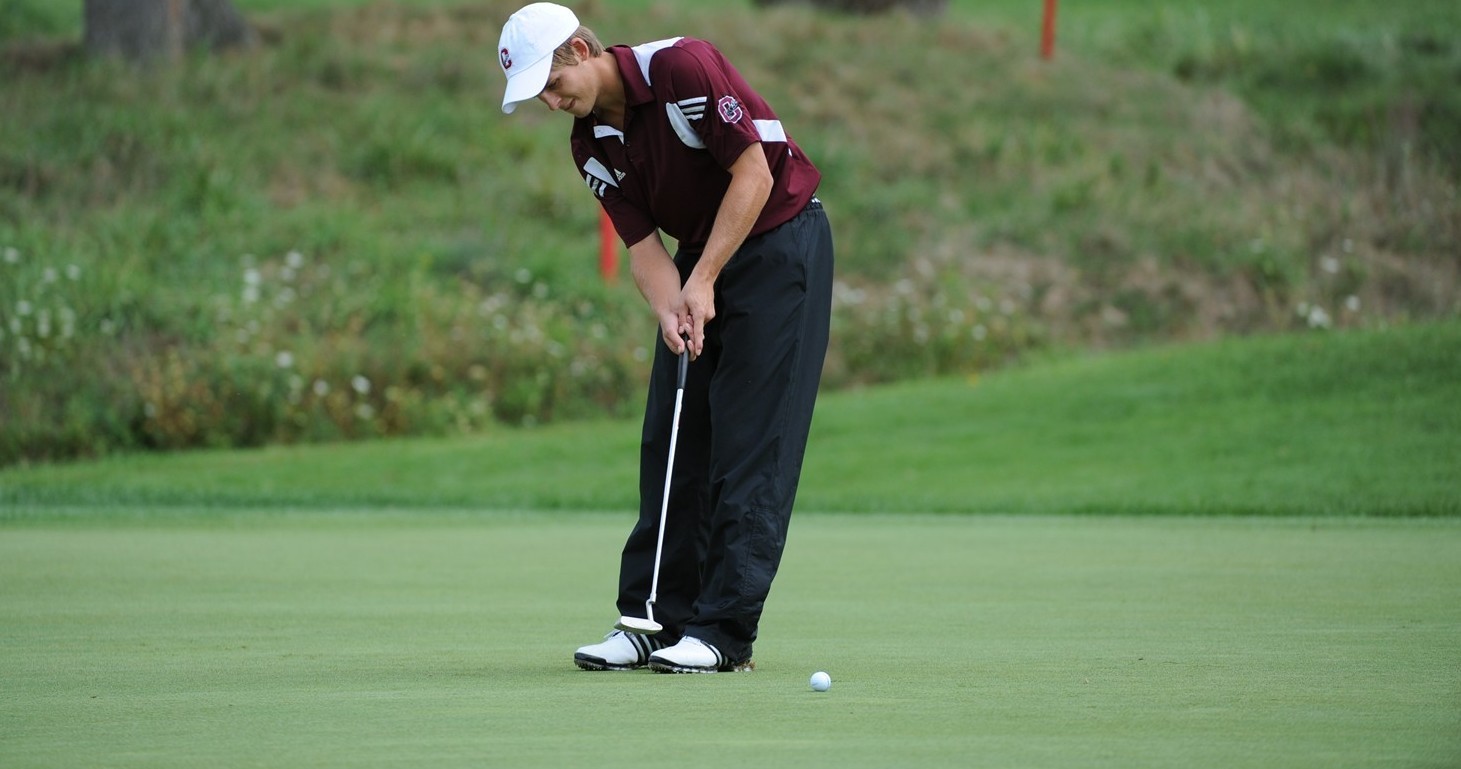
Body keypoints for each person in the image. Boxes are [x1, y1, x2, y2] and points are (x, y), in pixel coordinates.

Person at [498, 2, 833, 674]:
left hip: (779, 248)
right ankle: (651, 617)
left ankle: (723, 633)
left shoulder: (681, 67)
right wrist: (669, 308)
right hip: (697, 259)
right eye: (536, 94)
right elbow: (644, 248)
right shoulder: (588, 142)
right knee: (672, 436)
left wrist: (702, 277)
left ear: (582, 48)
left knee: (747, 444)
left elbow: (754, 174)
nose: (550, 100)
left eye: (552, 83)